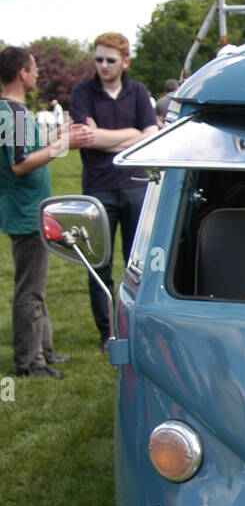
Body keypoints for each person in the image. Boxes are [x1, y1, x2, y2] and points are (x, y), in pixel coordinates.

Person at [0, 46, 91, 377]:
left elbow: (29, 147)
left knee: (37, 286)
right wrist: (64, 146)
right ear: (22, 72)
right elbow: (21, 164)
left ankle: (45, 350)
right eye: (34, 69)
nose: (38, 75)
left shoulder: (12, 111)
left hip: (27, 211)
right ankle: (29, 362)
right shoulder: (14, 113)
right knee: (30, 290)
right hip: (24, 214)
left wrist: (60, 135)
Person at [68, 32, 158, 348]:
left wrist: (107, 136)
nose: (103, 66)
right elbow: (85, 137)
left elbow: (151, 135)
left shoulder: (137, 92)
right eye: (98, 59)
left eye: (110, 60)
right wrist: (131, 134)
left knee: (138, 262)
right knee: (99, 264)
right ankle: (107, 331)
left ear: (125, 61)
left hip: (134, 185)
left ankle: (136, 325)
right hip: (99, 189)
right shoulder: (82, 93)